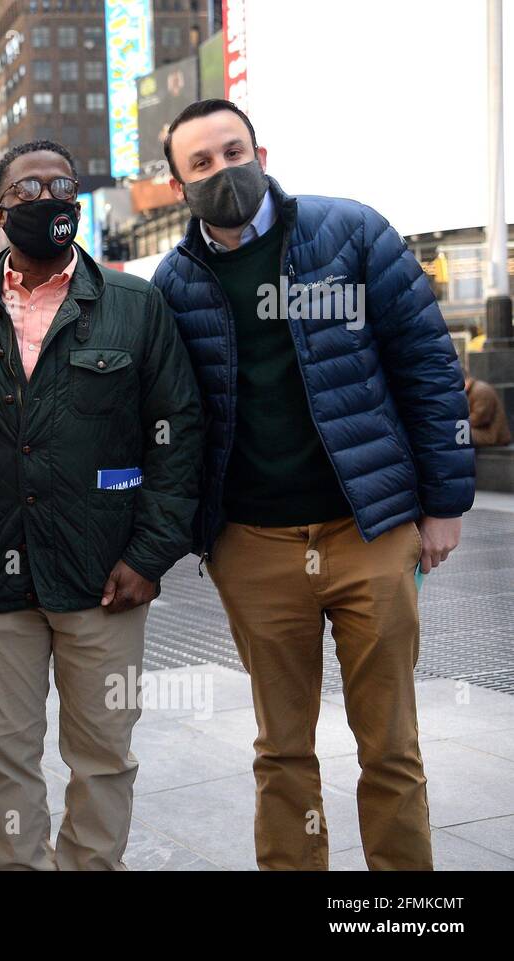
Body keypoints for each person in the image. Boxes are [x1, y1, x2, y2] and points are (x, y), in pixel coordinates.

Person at [153, 99, 476, 870]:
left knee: (390, 743)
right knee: (282, 748)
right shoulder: (173, 282)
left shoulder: (350, 231)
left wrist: (444, 503)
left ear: (260, 153)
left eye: (233, 152)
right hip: (253, 545)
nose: (223, 170)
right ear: (177, 186)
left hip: (369, 529)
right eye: (201, 163)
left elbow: (427, 363)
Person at [0, 140, 202, 871]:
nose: (46, 198)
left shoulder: (135, 305)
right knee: (4, 757)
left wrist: (150, 555)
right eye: (27, 188)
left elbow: (177, 434)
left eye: (61, 185)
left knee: (104, 754)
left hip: (105, 578)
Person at [467, 374, 512, 447]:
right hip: (479, 431)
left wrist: (455, 423)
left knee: (455, 434)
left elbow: (480, 418)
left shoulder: (481, 390)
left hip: (491, 435)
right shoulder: (468, 391)